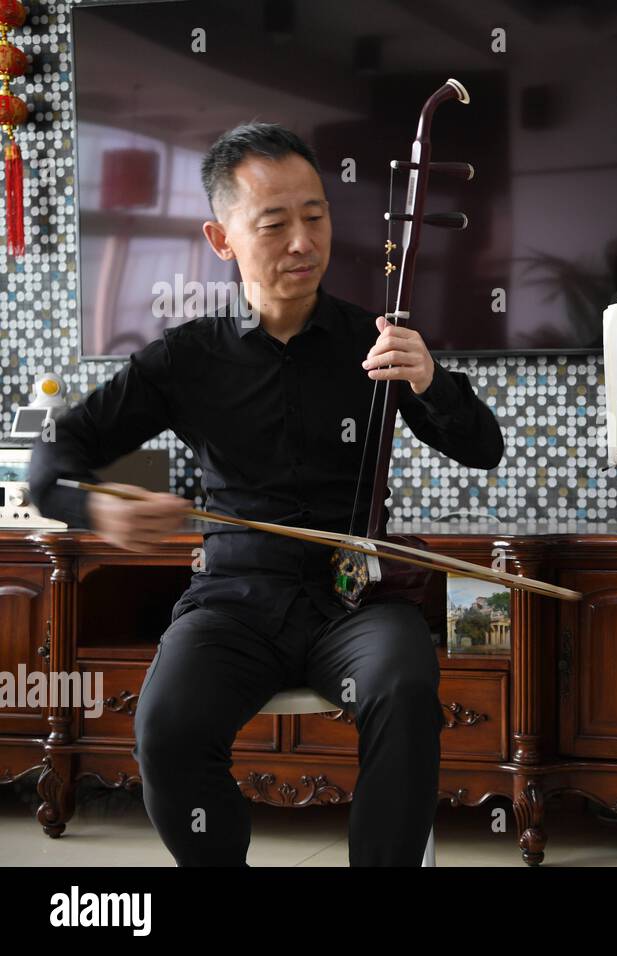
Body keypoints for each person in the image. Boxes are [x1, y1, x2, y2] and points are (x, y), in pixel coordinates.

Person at [29, 123, 505, 866]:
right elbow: (49, 467)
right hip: (234, 604)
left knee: (405, 691)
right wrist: (99, 508)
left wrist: (431, 381)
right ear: (222, 239)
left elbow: (484, 449)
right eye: (274, 222)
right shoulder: (185, 358)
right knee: (166, 729)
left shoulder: (376, 340)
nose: (302, 242)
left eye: (314, 216)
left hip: (356, 603)